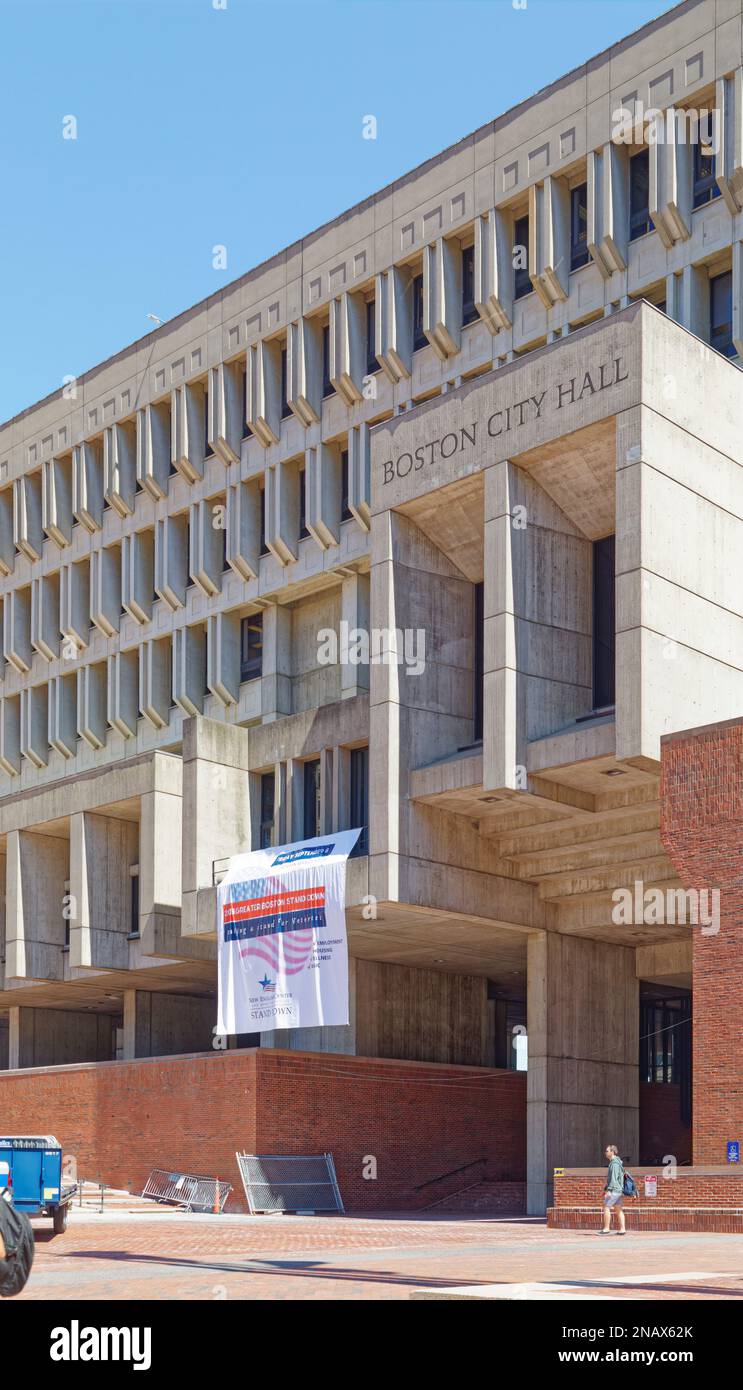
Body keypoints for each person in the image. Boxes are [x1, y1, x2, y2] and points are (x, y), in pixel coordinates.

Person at [600, 1143, 626, 1234]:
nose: (605, 1153)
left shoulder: (614, 1164)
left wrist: (609, 1190)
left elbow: (614, 1178)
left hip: (614, 1189)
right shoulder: (616, 1162)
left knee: (606, 1207)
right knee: (618, 1209)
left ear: (612, 1152)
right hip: (618, 1190)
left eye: (607, 1151)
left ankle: (606, 1228)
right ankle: (622, 1229)